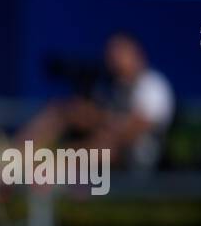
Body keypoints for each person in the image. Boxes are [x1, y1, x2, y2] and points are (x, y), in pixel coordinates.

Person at [14, 31, 176, 172]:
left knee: (104, 145)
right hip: (106, 144)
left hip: (138, 155)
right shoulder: (113, 85)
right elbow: (107, 118)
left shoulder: (153, 85)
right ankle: (16, 157)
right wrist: (82, 114)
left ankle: (44, 166)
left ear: (136, 53)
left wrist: (98, 119)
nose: (115, 60)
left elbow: (133, 130)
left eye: (120, 52)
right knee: (62, 111)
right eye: (112, 54)